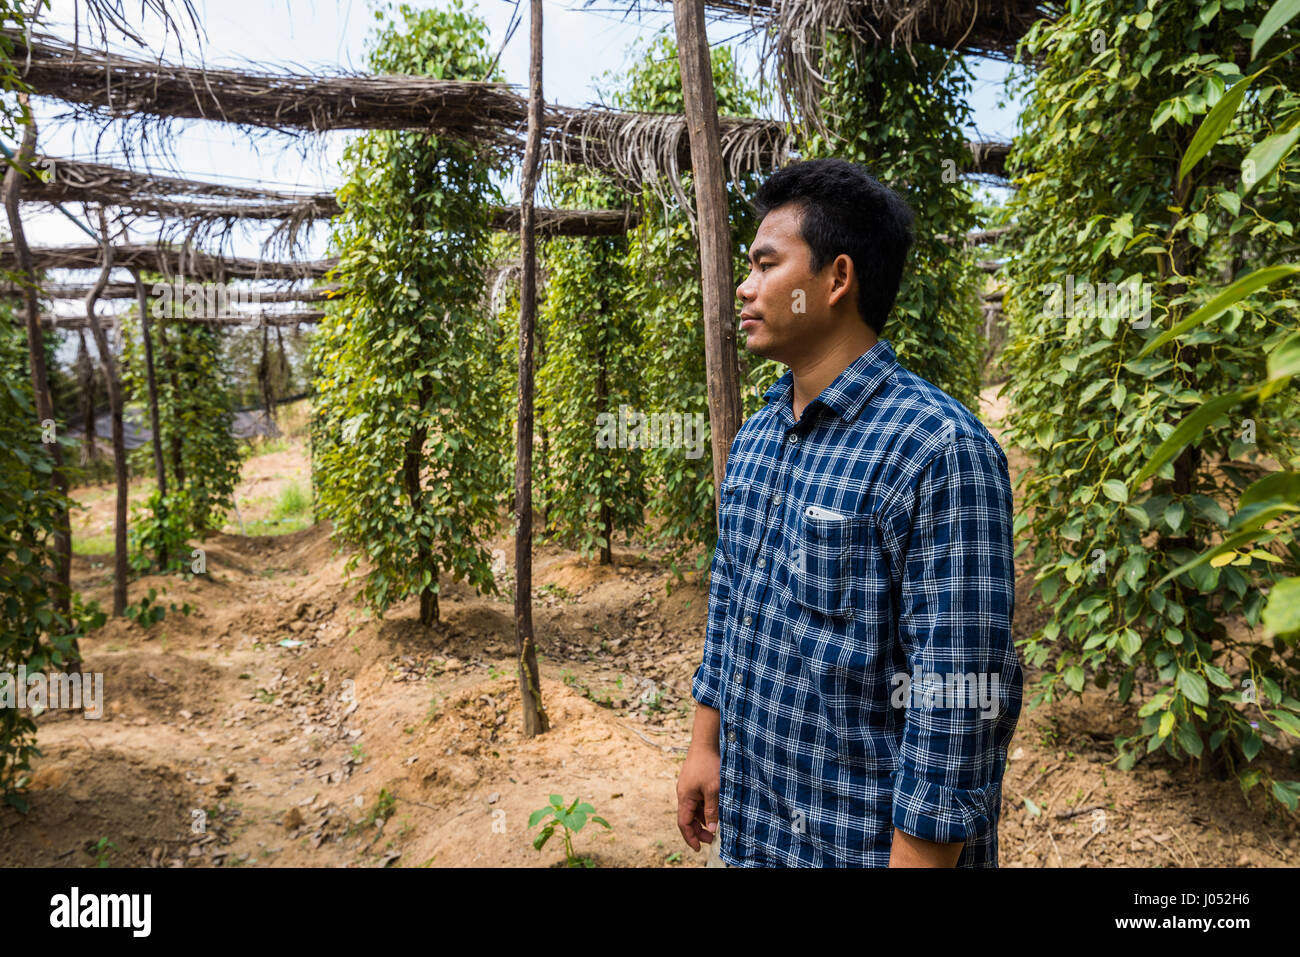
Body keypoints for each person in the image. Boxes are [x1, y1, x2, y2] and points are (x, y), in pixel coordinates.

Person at [676, 158, 1022, 867]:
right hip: (759, 834)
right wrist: (704, 744)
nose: (743, 286)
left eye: (764, 264)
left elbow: (956, 704)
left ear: (836, 280)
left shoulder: (938, 451)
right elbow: (731, 598)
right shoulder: (759, 434)